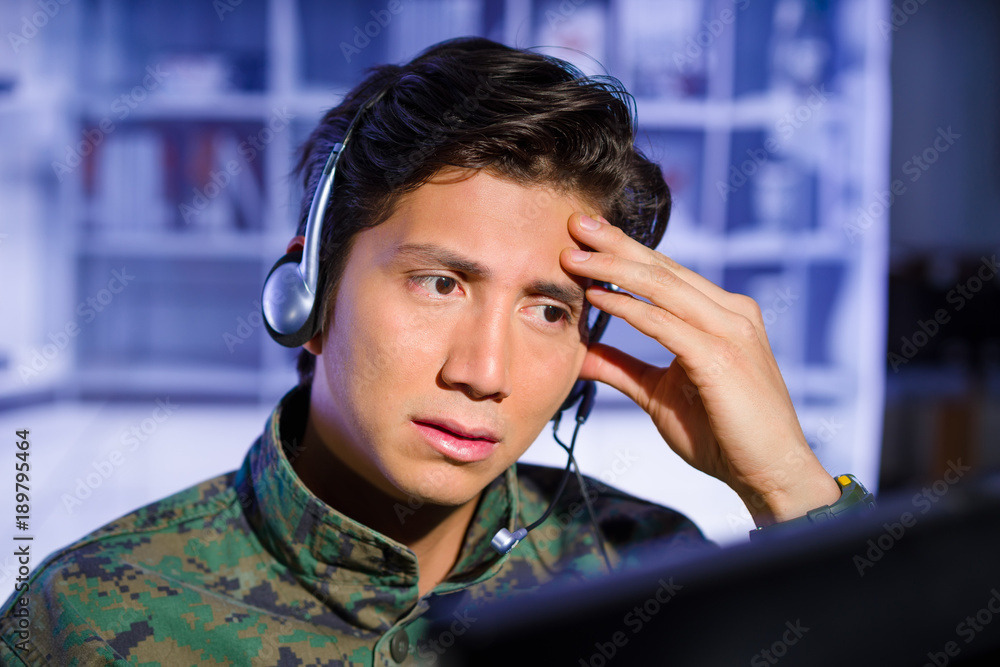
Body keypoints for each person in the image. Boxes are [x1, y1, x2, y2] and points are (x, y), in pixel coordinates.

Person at [0, 37, 865, 665]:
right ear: (313, 287)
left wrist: (789, 485)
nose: (484, 373)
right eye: (440, 282)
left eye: (548, 309)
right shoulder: (81, 621)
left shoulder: (649, 574)